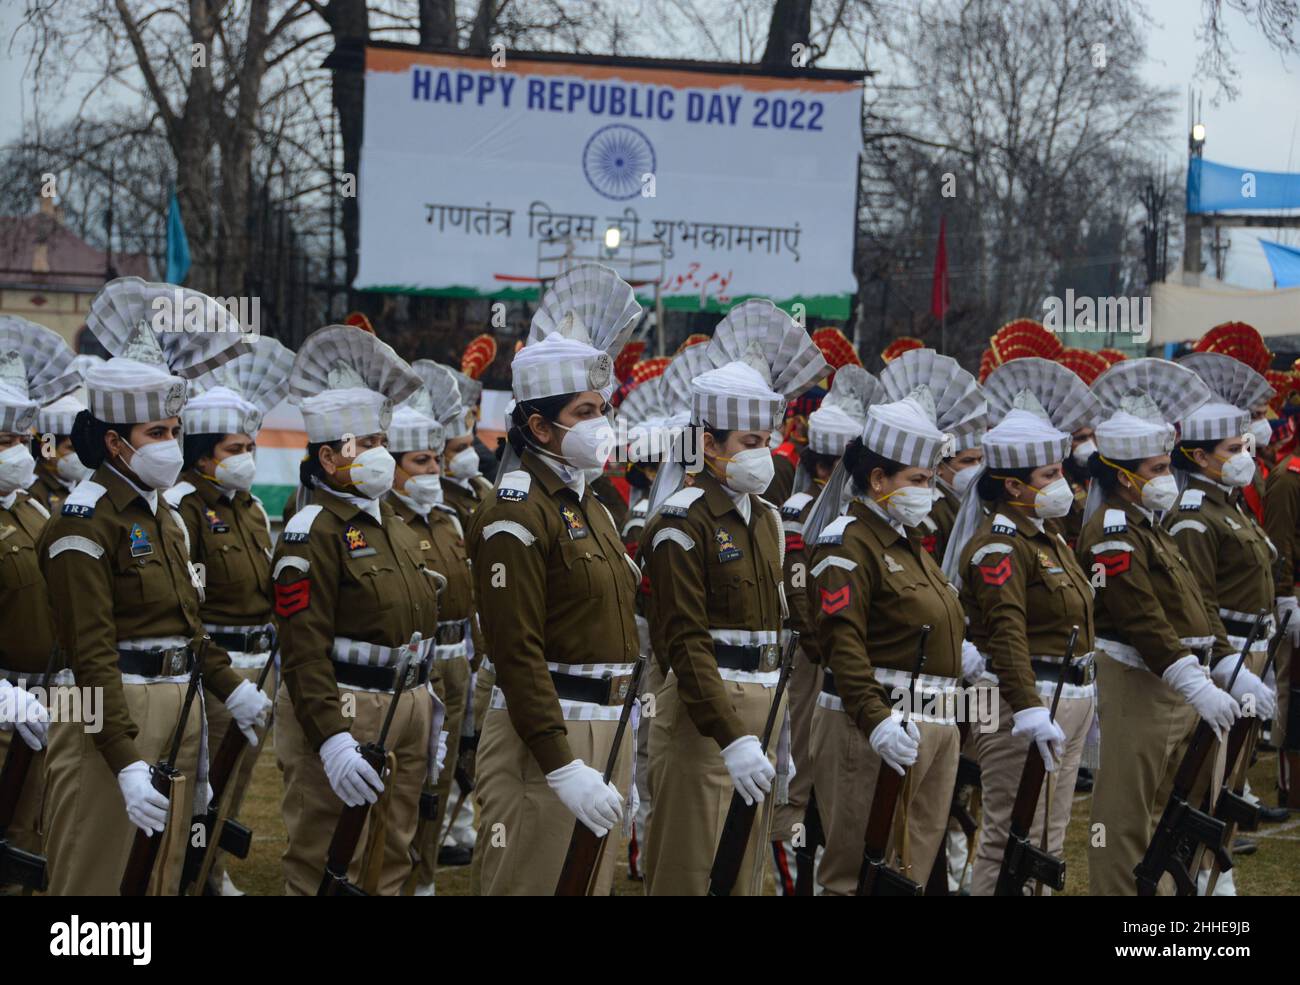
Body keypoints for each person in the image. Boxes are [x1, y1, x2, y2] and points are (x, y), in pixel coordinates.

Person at [38, 277, 257, 895]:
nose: (171, 446)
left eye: (173, 431)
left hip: (176, 704)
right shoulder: (83, 524)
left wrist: (229, 687)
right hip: (113, 716)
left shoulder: (160, 513)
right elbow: (90, 655)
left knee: (158, 878)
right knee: (96, 870)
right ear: (114, 442)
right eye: (156, 434)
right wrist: (124, 759)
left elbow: (186, 622)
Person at [466, 262, 642, 895]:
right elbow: (515, 649)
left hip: (605, 728)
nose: (601, 422)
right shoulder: (516, 510)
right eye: (584, 410)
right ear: (539, 427)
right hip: (546, 739)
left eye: (603, 407)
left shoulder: (590, 504)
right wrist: (561, 762)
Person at [642, 298, 828, 896]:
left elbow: (777, 637)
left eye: (767, 438)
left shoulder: (768, 519)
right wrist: (733, 736)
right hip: (705, 717)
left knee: (746, 876)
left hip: (763, 715)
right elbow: (686, 644)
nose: (764, 451)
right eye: (750, 439)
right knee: (693, 874)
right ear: (708, 444)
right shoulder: (681, 522)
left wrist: (778, 739)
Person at [271, 324, 442, 896]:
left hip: (403, 706)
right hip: (346, 711)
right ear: (328, 455)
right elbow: (301, 649)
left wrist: (427, 706)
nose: (379, 456)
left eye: (380, 442)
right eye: (364, 445)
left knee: (390, 859)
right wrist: (331, 738)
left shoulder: (388, 523)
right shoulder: (310, 531)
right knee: (326, 860)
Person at [802, 348, 980, 895]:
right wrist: (877, 720)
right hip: (871, 727)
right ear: (878, 479)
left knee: (909, 877)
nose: (930, 488)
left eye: (932, 476)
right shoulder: (847, 543)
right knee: (855, 876)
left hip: (931, 724)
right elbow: (843, 644)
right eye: (919, 477)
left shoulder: (909, 543)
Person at [1077, 357, 1241, 895]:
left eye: (1165, 465)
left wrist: (1217, 665)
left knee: (1166, 815)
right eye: (1154, 470)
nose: (1165, 477)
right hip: (1141, 682)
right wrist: (1193, 679)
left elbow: (1189, 603)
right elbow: (1140, 616)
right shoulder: (1112, 531)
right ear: (1121, 476)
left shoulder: (1150, 527)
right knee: (1124, 817)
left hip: (1173, 682)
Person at [941, 357, 1100, 895]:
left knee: (1049, 840)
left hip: (1064, 699)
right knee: (1008, 837)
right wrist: (1029, 707)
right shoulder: (999, 546)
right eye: (1049, 476)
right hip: (1019, 701)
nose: (1062, 485)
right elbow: (1007, 632)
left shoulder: (1046, 535)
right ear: (1012, 486)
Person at [163, 335, 293, 894]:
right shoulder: (184, 507)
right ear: (202, 456)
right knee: (201, 784)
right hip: (214, 670)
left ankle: (211, 869)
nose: (247, 456)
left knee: (235, 782)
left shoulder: (251, 507)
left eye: (249, 444)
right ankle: (192, 875)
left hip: (259, 663)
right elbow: (185, 599)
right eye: (235, 448)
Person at [769, 365, 880, 892]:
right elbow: (796, 589)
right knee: (800, 766)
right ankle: (792, 871)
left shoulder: (861, 511)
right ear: (814, 462)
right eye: (829, 461)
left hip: (849, 655)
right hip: (809, 655)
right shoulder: (797, 509)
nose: (837, 471)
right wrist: (824, 644)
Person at [1171, 353, 1285, 861]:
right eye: (1232, 448)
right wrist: (1225, 663)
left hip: (1253, 647)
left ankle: (1221, 846)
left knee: (1236, 764)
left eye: (1244, 445)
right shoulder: (1195, 514)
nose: (1245, 454)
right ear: (1199, 456)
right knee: (1210, 769)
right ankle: (1202, 854)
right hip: (1229, 652)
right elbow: (1201, 597)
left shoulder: (1229, 500)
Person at [386, 360, 480, 893]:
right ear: (394, 467)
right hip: (412, 669)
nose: (432, 471)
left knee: (441, 782)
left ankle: (422, 878)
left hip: (457, 661)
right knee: (404, 782)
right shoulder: (387, 521)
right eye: (420, 461)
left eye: (435, 460)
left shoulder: (447, 518)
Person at [0, 316, 77, 882]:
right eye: (5, 443)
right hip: (6, 706)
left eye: (22, 442)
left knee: (34, 840)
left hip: (45, 708)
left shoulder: (34, 509)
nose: (19, 454)